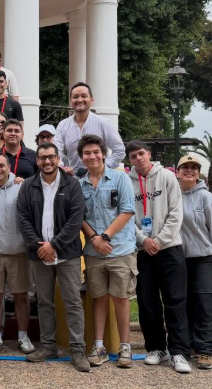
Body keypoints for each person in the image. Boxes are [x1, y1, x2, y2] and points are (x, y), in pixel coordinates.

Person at [17, 143, 89, 372]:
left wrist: (55, 245)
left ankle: (78, 350)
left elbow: (76, 218)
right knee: (44, 301)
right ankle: (48, 345)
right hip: (40, 254)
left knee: (73, 301)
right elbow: (23, 218)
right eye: (42, 158)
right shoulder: (29, 186)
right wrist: (40, 246)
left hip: (67, 254)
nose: (47, 162)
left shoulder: (72, 184)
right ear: (37, 160)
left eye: (50, 157)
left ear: (58, 158)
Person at [127, 139, 192, 373]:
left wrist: (160, 240)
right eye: (133, 156)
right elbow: (126, 215)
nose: (138, 159)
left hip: (170, 249)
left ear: (149, 154)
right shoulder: (127, 181)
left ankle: (179, 352)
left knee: (175, 302)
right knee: (147, 302)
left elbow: (176, 213)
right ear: (129, 160)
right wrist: (144, 240)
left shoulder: (166, 177)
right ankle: (156, 348)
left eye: (141, 154)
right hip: (143, 250)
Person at [78, 135, 137, 369]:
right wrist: (94, 238)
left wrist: (105, 237)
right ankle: (99, 345)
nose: (91, 156)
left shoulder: (120, 178)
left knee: (121, 299)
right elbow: (80, 217)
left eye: (95, 152)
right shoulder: (80, 184)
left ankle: (125, 346)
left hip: (120, 249)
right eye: (86, 153)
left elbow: (127, 211)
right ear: (82, 157)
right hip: (93, 252)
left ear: (103, 154)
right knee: (98, 298)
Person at [0, 153, 35, 356]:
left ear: (9, 167)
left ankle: (22, 335)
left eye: (1, 165)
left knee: (21, 296)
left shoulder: (22, 186)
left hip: (19, 251)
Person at [176, 154, 212, 370]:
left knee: (204, 306)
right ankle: (187, 347)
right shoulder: (172, 196)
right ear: (177, 172)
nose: (189, 171)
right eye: (185, 167)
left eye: (194, 168)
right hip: (178, 260)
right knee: (183, 306)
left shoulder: (206, 198)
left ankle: (205, 350)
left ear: (199, 173)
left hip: (204, 259)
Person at [54, 83, 126, 174]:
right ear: (71, 101)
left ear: (91, 100)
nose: (80, 100)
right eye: (75, 97)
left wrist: (103, 166)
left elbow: (120, 150)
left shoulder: (103, 123)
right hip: (73, 180)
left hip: (100, 178)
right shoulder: (62, 125)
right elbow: (56, 151)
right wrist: (61, 166)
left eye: (84, 96)